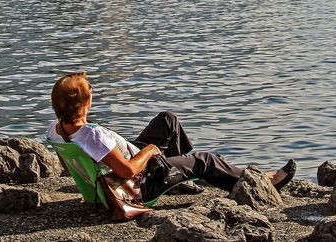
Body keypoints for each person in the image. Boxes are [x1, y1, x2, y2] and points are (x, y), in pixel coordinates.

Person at [47, 72, 296, 201]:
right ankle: (261, 181)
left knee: (167, 119)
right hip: (139, 182)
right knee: (205, 160)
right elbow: (127, 172)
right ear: (84, 103)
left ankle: (177, 179)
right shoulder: (93, 136)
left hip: (123, 166)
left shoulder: (56, 130)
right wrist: (149, 151)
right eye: (90, 91)